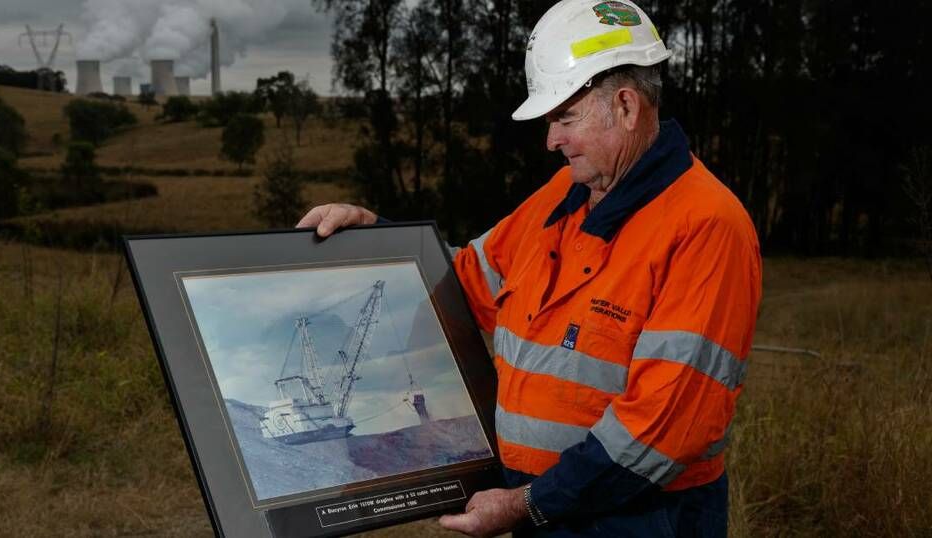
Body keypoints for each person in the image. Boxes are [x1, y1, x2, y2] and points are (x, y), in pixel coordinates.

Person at [298, 0, 761, 536]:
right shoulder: (564, 195)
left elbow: (660, 432)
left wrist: (527, 503)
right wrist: (376, 233)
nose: (551, 140)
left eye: (566, 118)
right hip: (547, 510)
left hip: (642, 519)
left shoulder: (706, 227)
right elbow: (463, 286)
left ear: (628, 107)